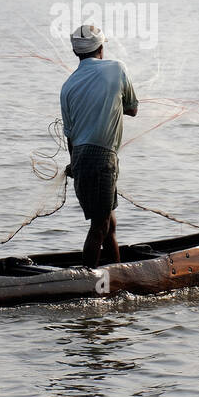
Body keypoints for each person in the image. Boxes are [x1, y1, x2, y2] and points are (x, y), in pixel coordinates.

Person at [60, 24, 139, 267]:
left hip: (80, 159)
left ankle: (116, 272)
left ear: (76, 52)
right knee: (100, 226)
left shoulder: (68, 86)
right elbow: (133, 109)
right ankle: (89, 279)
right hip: (102, 159)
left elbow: (70, 135)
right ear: (101, 49)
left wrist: (74, 164)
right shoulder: (116, 68)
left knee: (108, 224)